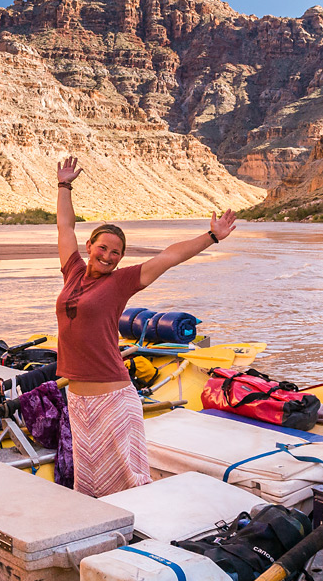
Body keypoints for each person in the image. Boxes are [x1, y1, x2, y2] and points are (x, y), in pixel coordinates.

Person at [53, 155, 235, 497]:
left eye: (116, 253)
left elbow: (169, 256)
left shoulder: (122, 281)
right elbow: (65, 227)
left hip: (113, 399)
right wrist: (64, 186)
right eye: (102, 248)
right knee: (89, 486)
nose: (108, 256)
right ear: (90, 246)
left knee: (132, 482)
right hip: (77, 400)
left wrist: (212, 235)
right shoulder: (73, 270)